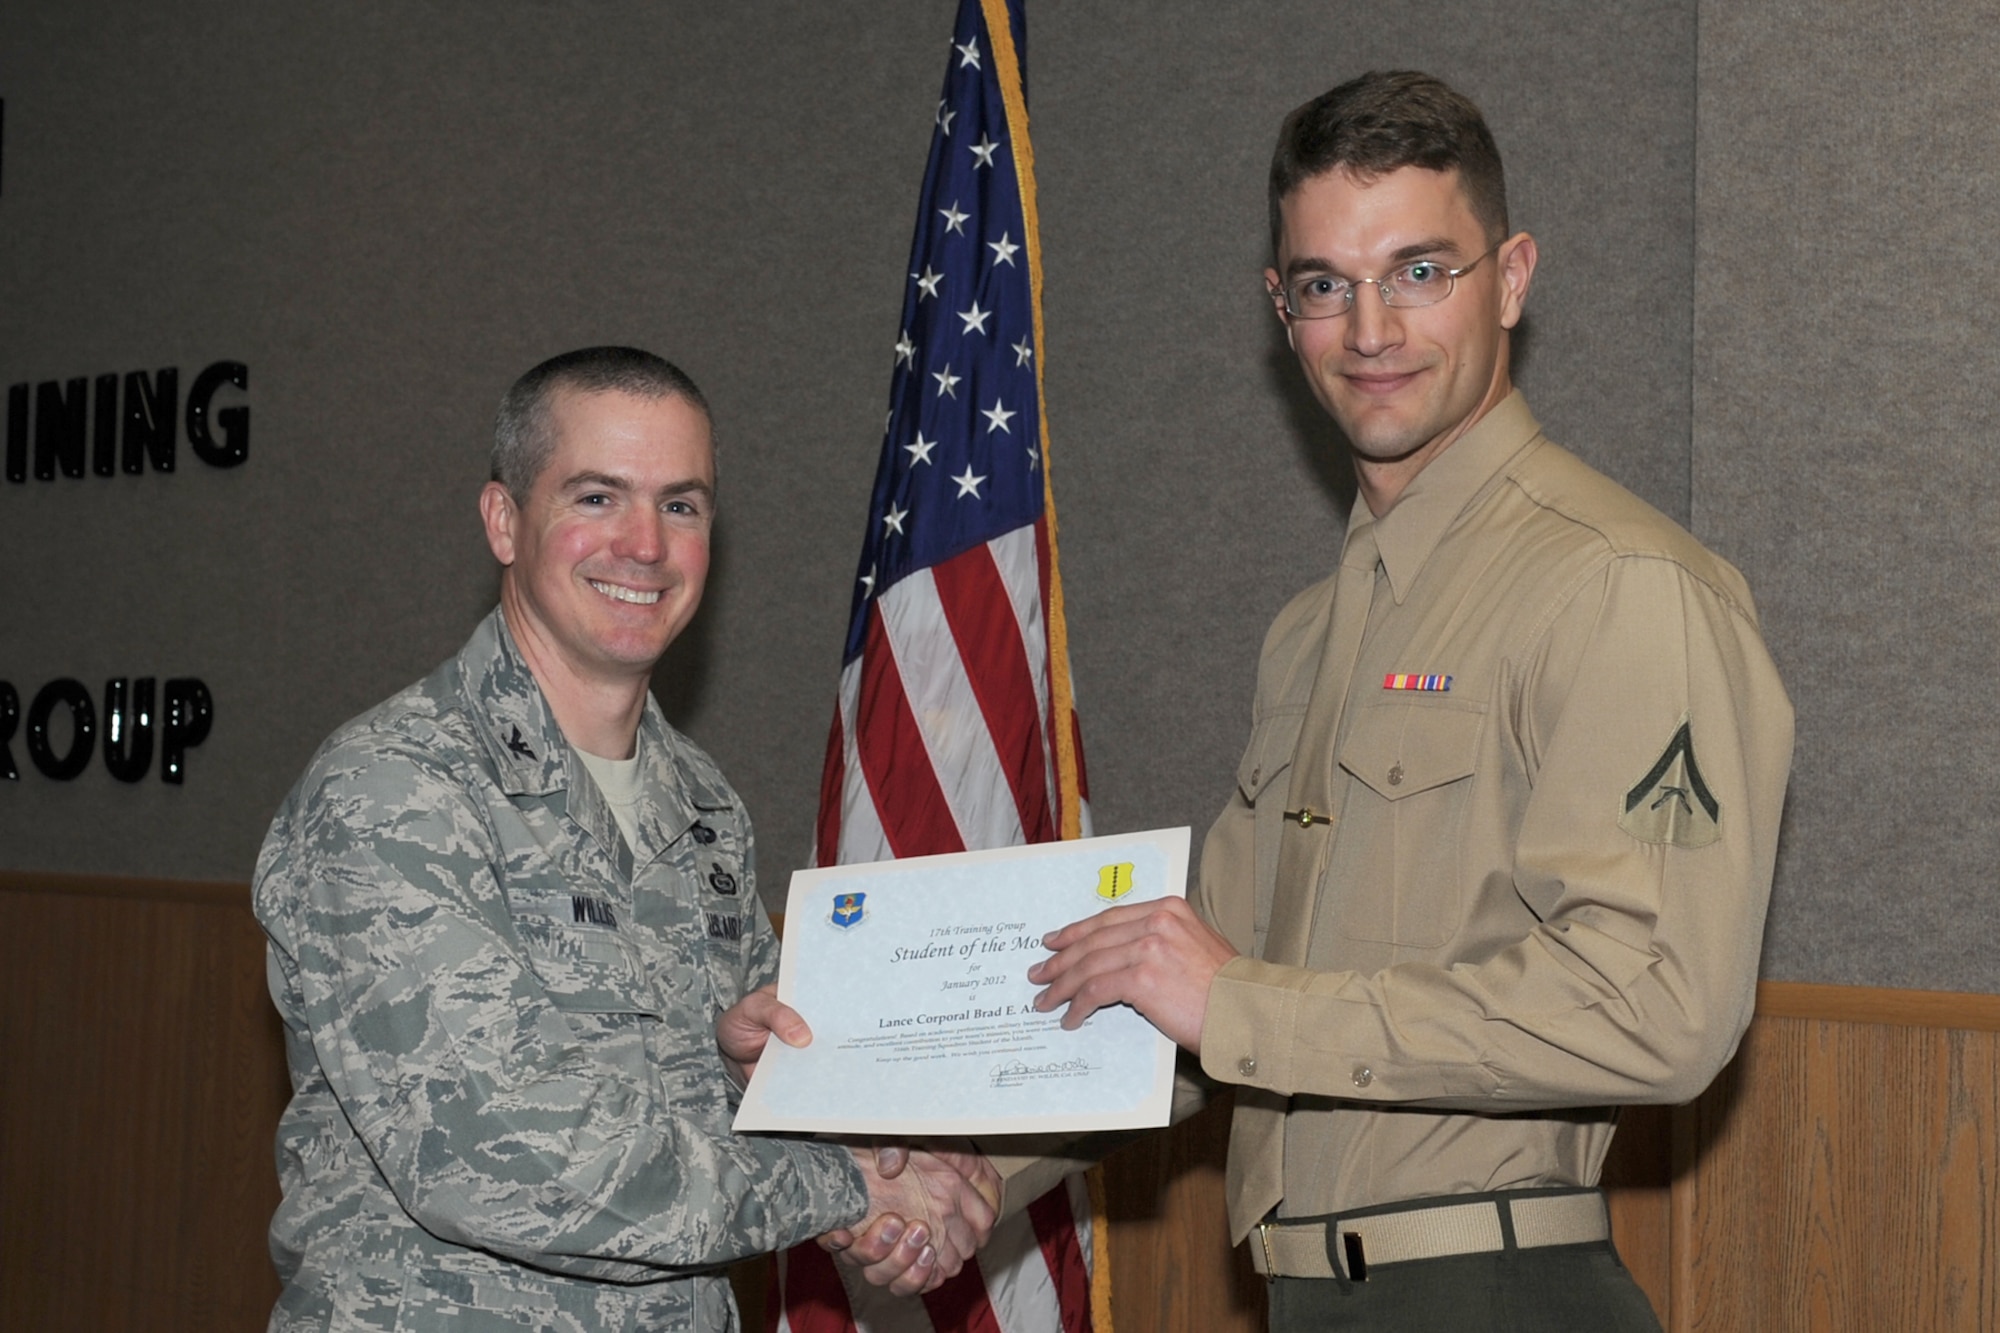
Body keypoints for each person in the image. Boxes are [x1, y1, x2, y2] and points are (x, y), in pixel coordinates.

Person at [1021, 72, 1794, 1330]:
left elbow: (1659, 1010)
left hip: (1490, 1288)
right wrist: (935, 1158)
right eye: (1325, 284)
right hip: (1307, 1299)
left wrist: (1242, 1007)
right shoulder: (1312, 630)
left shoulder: (1619, 586)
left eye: (1420, 270)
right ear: (1282, 310)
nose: (1370, 328)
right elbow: (1192, 979)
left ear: (1511, 277)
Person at [252, 346, 996, 1333]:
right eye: (597, 497)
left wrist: (817, 1108)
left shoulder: (700, 803)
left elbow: (711, 1097)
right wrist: (844, 1187)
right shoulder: (393, 788)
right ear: (504, 521)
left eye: (680, 505)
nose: (643, 543)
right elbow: (492, 1155)